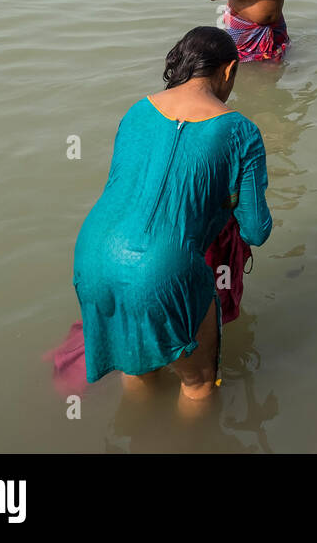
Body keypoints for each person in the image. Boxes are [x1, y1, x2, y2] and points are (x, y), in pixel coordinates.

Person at [73, 27, 274, 410]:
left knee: (137, 366)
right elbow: (256, 230)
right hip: (162, 269)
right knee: (198, 385)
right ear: (229, 71)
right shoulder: (240, 131)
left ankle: (139, 433)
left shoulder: (138, 110)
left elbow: (130, 188)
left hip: (93, 253)